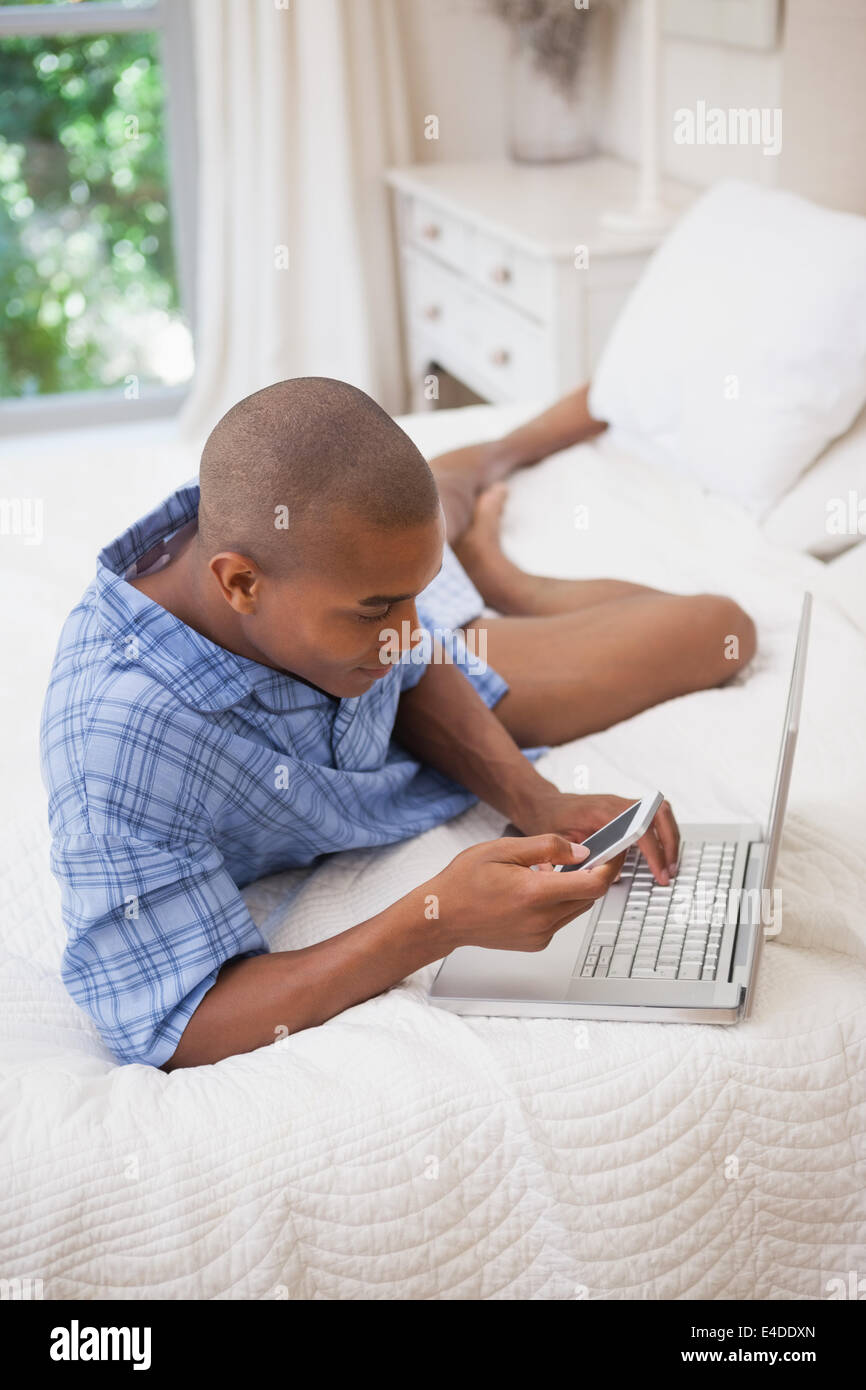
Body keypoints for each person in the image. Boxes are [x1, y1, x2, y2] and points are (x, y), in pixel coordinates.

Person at [40, 377, 755, 1071]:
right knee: (711, 631)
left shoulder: (357, 603)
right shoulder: (121, 740)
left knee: (723, 631)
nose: (411, 636)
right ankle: (488, 565)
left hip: (370, 575)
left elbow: (415, 657)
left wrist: (538, 800)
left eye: (416, 598)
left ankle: (498, 507)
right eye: (379, 608)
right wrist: (438, 919)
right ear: (240, 584)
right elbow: (179, 1022)